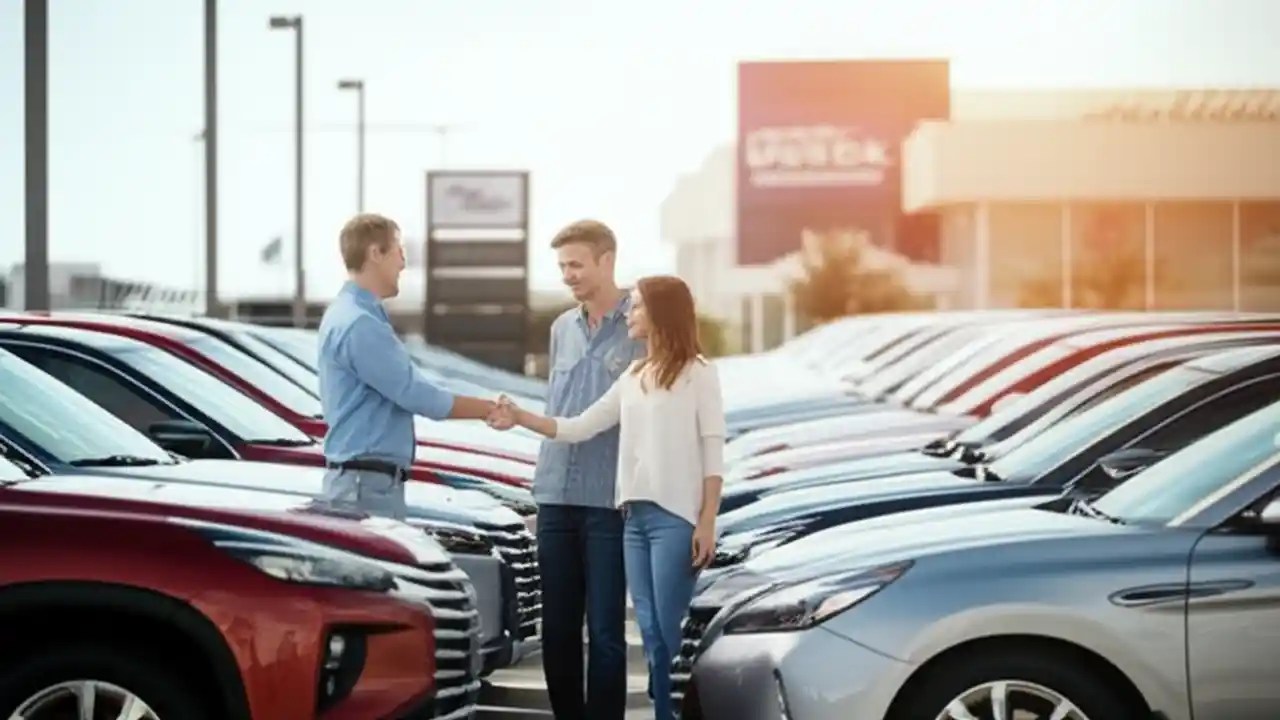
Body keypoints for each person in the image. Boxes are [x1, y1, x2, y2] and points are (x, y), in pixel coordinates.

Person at [490, 274, 725, 720]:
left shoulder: (699, 373)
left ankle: (669, 714)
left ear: (660, 313)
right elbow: (578, 425)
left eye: (638, 307)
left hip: (676, 519)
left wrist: (707, 520)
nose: (631, 315)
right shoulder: (634, 377)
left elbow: (713, 451)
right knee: (651, 629)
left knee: (667, 630)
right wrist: (520, 417)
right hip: (633, 520)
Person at [525, 220, 646, 720]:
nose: (568, 275)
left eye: (576, 264)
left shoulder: (643, 325)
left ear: (606, 260)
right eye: (562, 267)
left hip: (608, 501)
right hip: (554, 496)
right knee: (556, 630)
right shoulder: (561, 329)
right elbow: (559, 408)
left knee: (605, 634)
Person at [316, 212, 502, 521]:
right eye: (399, 250)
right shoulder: (360, 324)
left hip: (365, 483)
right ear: (375, 253)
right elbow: (418, 395)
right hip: (365, 489)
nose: (403, 262)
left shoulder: (352, 315)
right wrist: (489, 408)